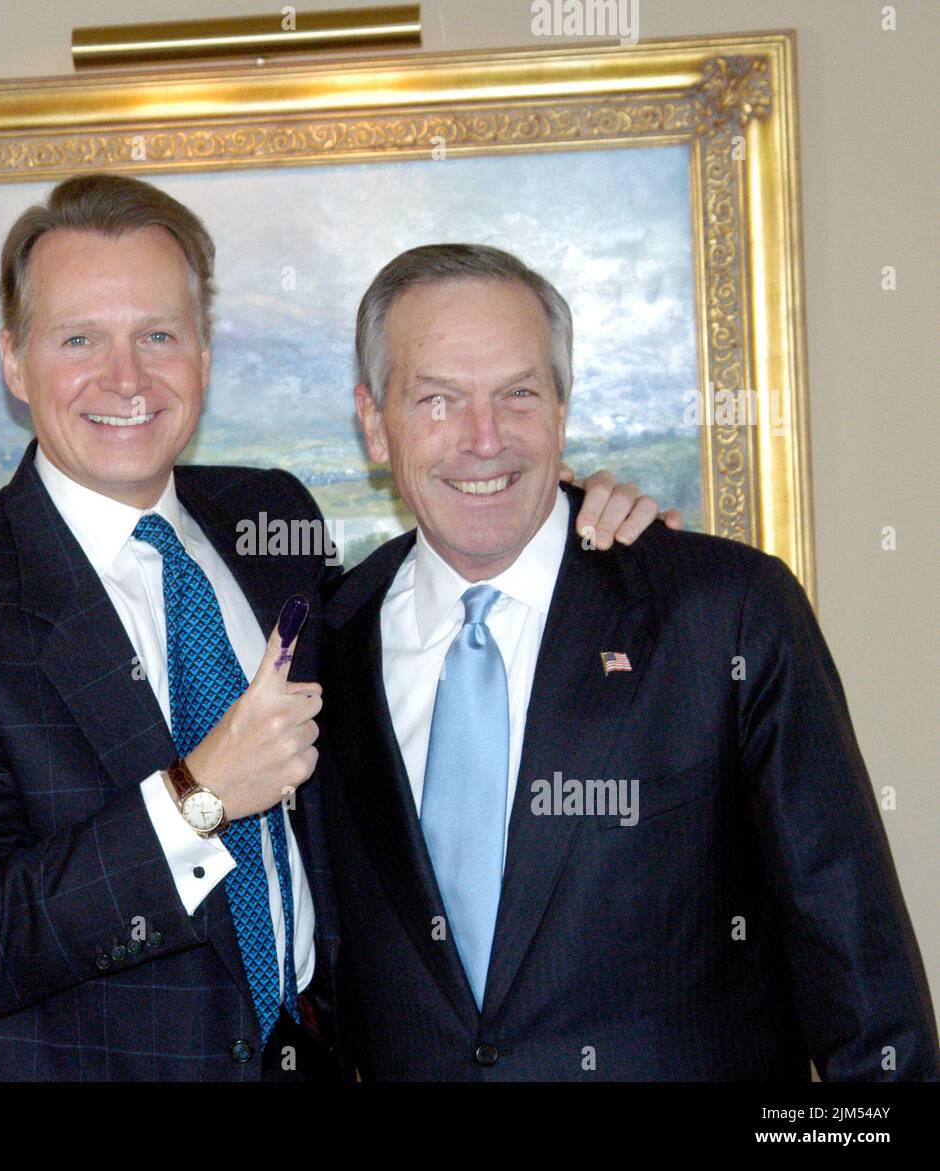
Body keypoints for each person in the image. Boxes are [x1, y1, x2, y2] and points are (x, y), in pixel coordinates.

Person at [0, 175, 664, 1081]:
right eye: (79, 339)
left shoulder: (273, 522)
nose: (126, 378)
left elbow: (403, 656)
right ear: (15, 363)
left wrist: (561, 507)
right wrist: (200, 795)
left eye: (158, 335)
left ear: (203, 353)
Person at [318, 243, 940, 1080]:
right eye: (437, 399)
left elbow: (869, 999)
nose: (485, 437)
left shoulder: (723, 612)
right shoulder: (325, 642)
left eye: (520, 394)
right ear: (372, 420)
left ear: (563, 409)